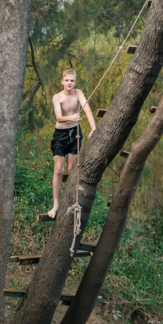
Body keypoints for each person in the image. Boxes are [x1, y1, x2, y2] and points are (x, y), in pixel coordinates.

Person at [46, 68, 96, 219]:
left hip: (75, 134)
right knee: (59, 170)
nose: (69, 83)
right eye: (66, 80)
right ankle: (55, 205)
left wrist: (93, 128)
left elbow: (87, 109)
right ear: (62, 81)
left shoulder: (78, 93)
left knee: (71, 170)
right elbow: (59, 117)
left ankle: (70, 202)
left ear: (75, 82)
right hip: (60, 136)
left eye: (72, 80)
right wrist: (72, 118)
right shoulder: (57, 97)